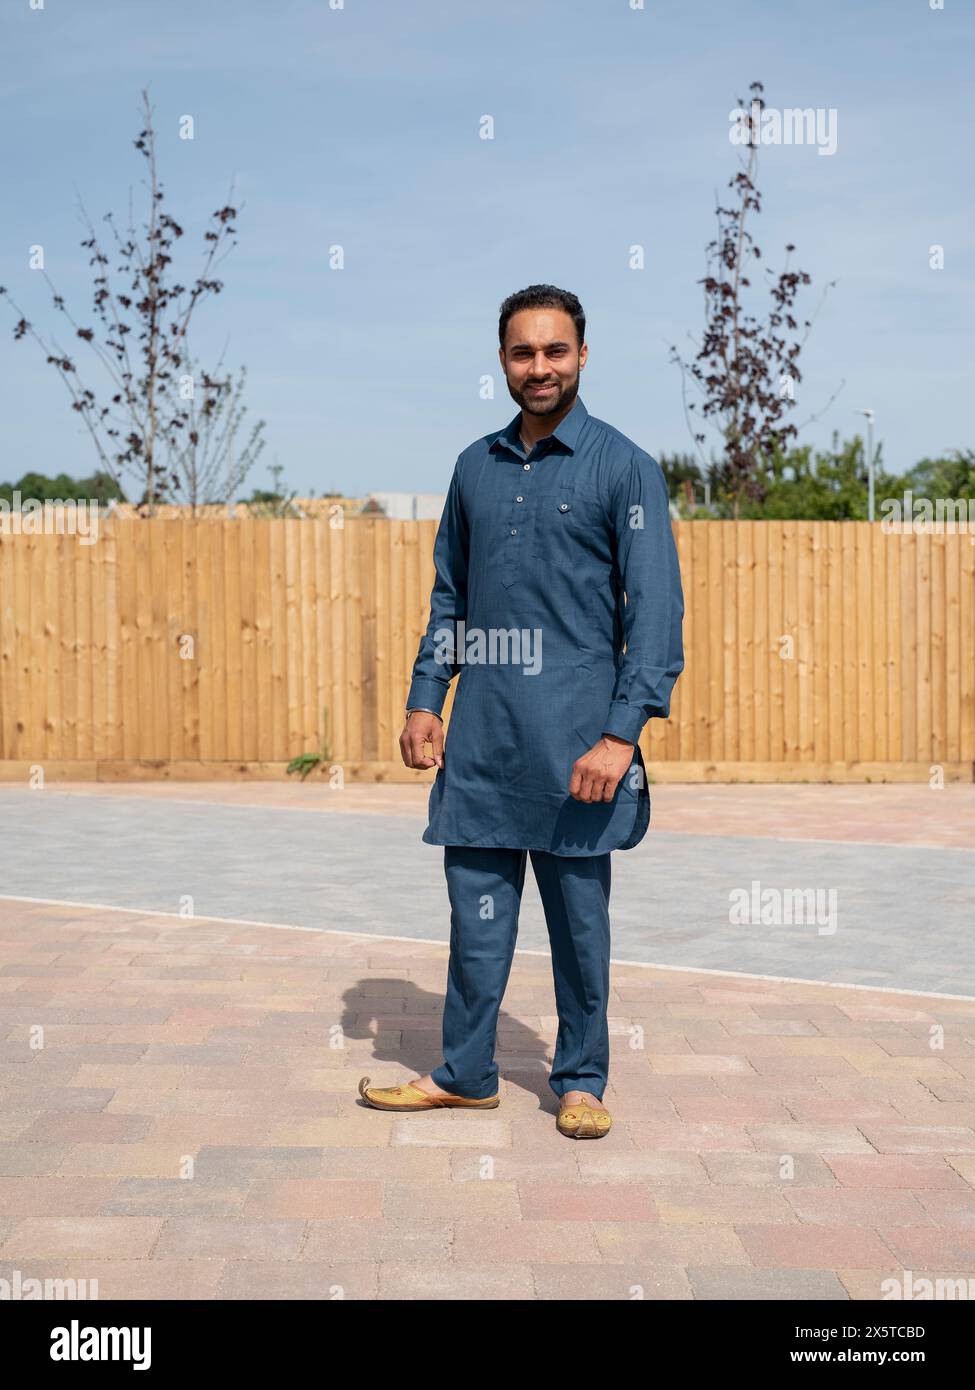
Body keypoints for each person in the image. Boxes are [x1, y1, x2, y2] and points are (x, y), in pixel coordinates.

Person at [358, 284, 684, 1139]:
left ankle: (580, 1080)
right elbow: (451, 597)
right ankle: (464, 1073)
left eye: (554, 350)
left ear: (582, 356)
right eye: (522, 352)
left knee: (579, 928)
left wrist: (619, 736)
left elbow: (655, 615)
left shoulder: (624, 468)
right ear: (502, 360)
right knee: (475, 921)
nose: (539, 367)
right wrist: (426, 698)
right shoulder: (475, 467)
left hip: (578, 746)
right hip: (482, 743)